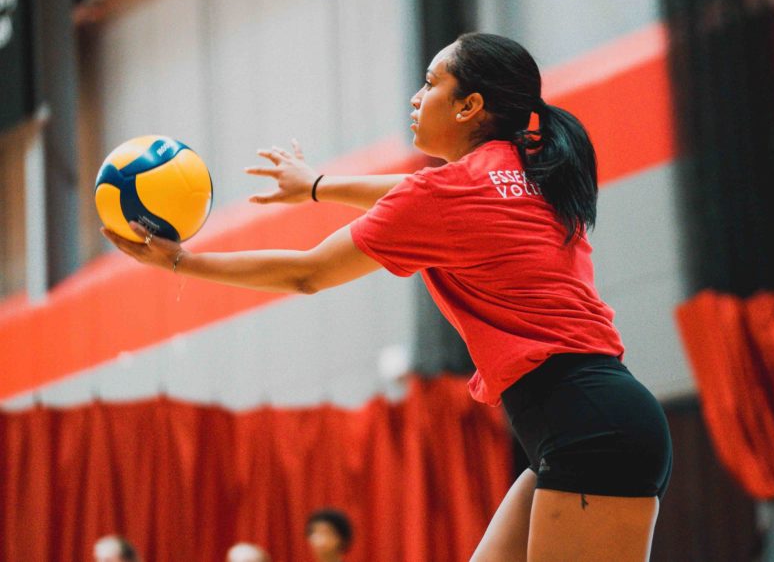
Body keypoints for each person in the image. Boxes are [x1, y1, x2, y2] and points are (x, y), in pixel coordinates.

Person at [103, 33, 672, 561]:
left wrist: (180, 261)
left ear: (470, 106)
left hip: (588, 429)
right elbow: (413, 193)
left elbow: (308, 273)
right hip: (598, 419)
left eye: (431, 83)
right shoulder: (531, 168)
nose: (416, 96)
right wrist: (318, 188)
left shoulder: (448, 192)